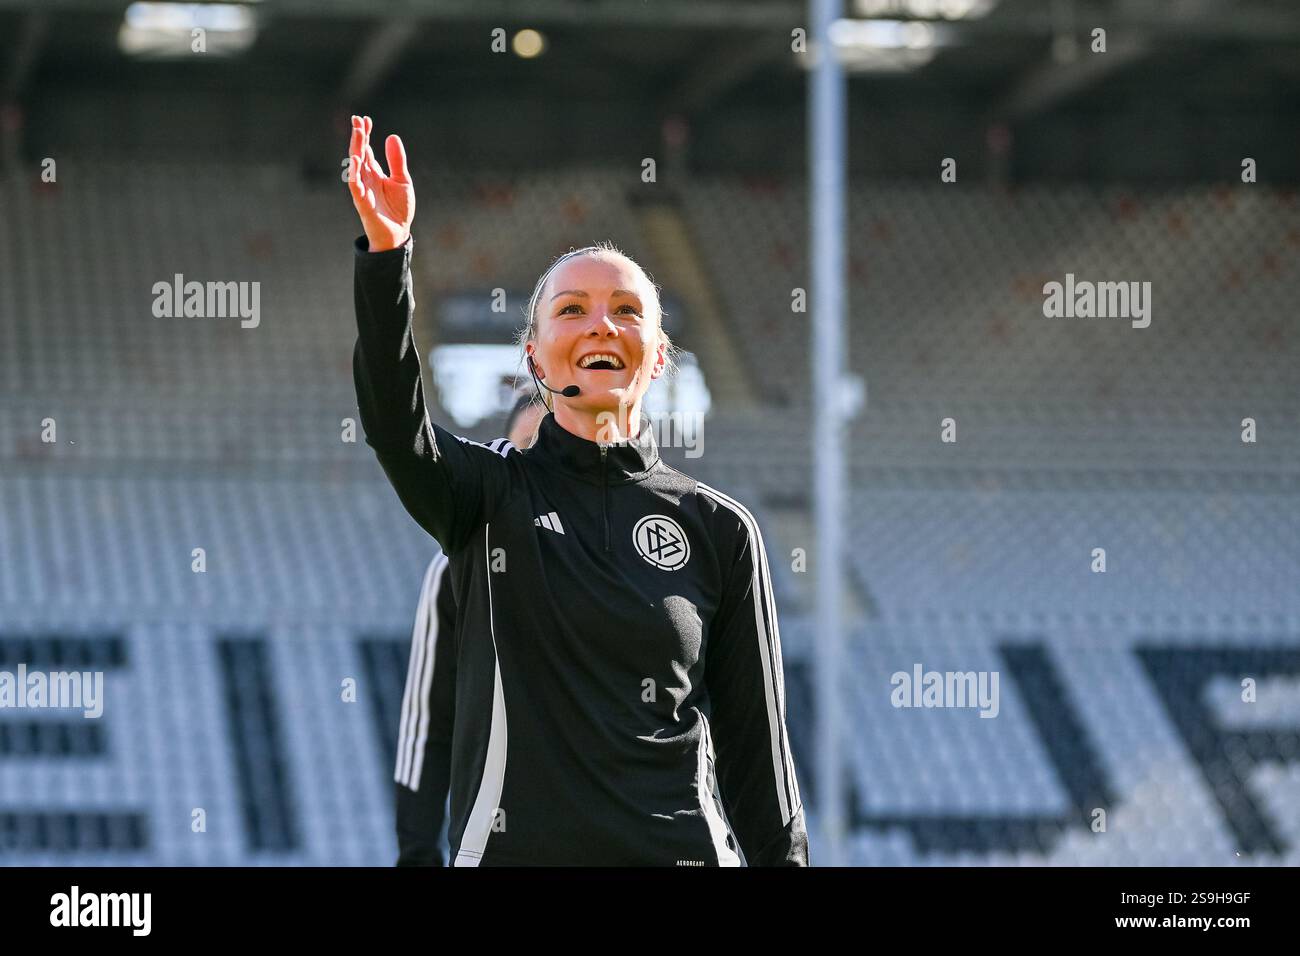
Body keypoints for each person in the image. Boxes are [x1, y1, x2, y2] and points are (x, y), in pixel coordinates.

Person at [347, 114, 807, 866]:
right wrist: (386, 257)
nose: (602, 324)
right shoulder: (485, 499)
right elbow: (396, 427)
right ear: (534, 355)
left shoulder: (721, 531)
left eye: (627, 311)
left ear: (657, 357)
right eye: (572, 310)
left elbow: (761, 761)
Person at [394, 393, 545, 866]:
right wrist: (418, 853)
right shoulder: (457, 570)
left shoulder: (640, 561)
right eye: (526, 450)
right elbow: (427, 725)